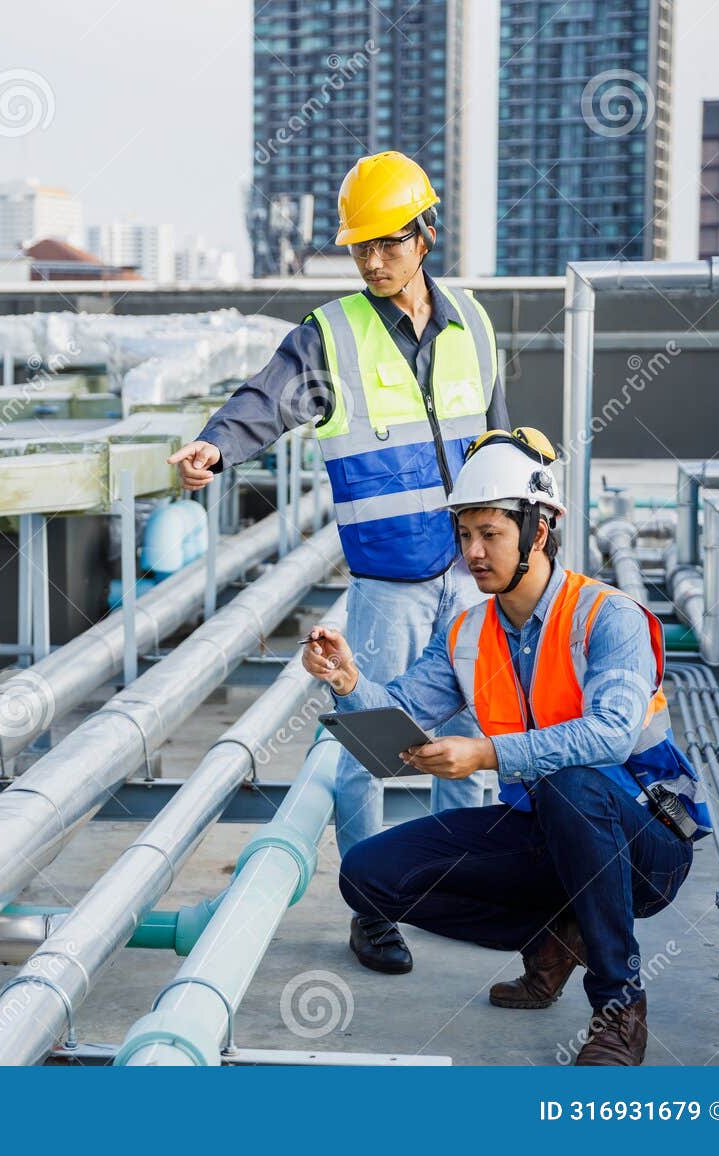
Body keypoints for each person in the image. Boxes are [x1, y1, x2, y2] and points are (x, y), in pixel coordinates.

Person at [168, 151, 510, 976]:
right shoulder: (332, 335)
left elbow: (498, 446)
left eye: (388, 243)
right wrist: (216, 443)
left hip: (469, 579)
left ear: (427, 235)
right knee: (373, 744)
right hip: (389, 583)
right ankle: (375, 908)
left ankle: (454, 888)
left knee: (466, 738)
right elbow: (266, 399)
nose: (372, 260)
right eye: (360, 247)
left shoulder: (475, 324)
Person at [301, 429, 712, 1066]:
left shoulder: (609, 617)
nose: (473, 552)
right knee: (369, 876)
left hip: (646, 845)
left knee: (570, 786)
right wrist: (348, 681)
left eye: (490, 534)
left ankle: (618, 1006)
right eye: (465, 535)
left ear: (538, 531)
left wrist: (487, 754)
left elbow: (612, 731)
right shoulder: (469, 630)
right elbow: (406, 711)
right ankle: (554, 935)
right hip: (545, 831)